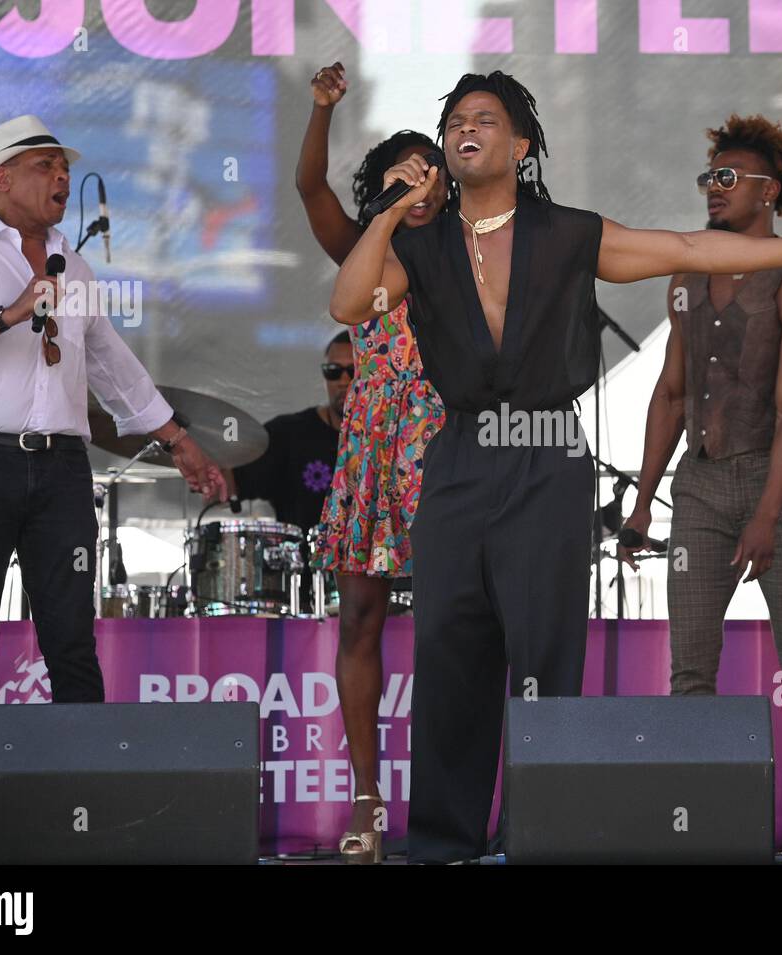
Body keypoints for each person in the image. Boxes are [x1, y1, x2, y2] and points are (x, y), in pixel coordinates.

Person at [329, 70, 782, 864]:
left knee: (545, 657)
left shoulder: (565, 233)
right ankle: (444, 844)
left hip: (547, 454)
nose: (465, 130)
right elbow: (348, 304)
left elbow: (686, 247)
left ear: (520, 146)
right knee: (449, 654)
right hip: (457, 456)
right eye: (455, 121)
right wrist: (390, 210)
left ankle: (534, 837)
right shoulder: (419, 246)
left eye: (484, 119)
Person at [0, 115, 227, 865]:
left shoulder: (73, 269)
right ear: (1, 178)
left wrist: (177, 440)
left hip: (59, 471)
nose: (61, 179)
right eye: (45, 165)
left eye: (64, 168)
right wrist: (10, 314)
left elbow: (111, 365)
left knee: (72, 644)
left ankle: (85, 823)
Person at [618, 113, 782, 861]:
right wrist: (642, 502)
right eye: (707, 178)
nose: (711, 190)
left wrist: (769, 514)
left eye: (726, 179)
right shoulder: (685, 279)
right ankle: (698, 815)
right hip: (701, 483)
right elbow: (671, 392)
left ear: (768, 192)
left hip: (777, 484)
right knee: (690, 663)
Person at [297, 62, 447, 863]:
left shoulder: (466, 253)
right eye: (402, 173)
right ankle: (367, 797)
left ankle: (466, 796)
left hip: (444, 444)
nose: (418, 184)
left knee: (460, 620)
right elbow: (308, 185)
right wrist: (323, 109)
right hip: (372, 444)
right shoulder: (363, 246)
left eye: (430, 172)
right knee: (360, 616)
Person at [224, 331, 351, 534]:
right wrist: (209, 461)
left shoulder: (390, 438)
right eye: (333, 371)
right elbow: (231, 485)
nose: (343, 381)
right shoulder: (287, 433)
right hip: (302, 554)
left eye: (353, 371)